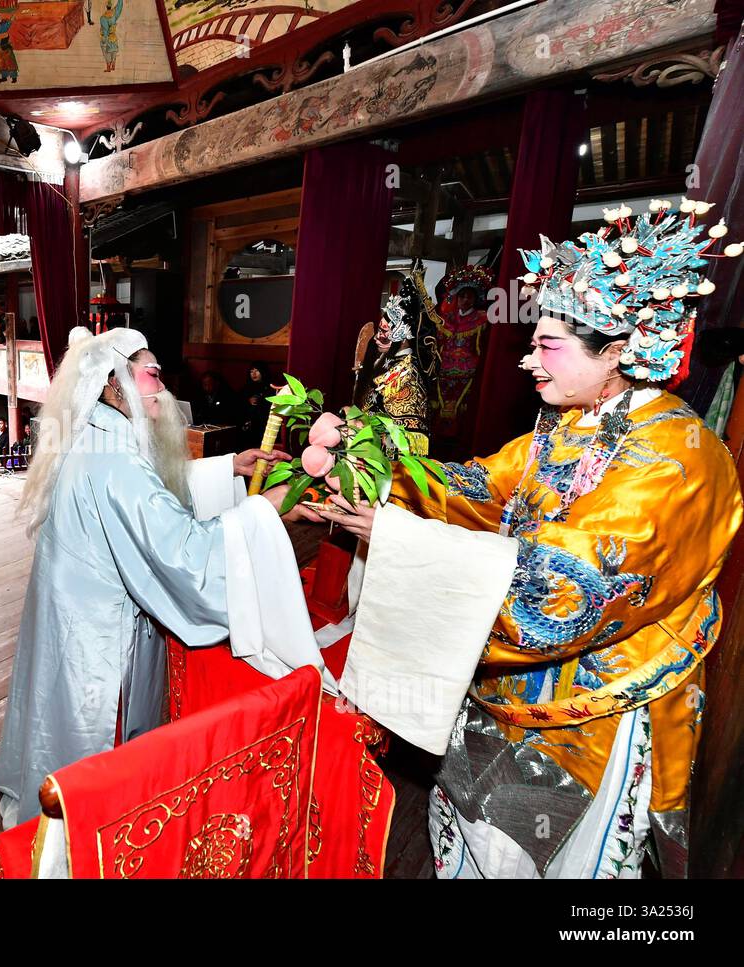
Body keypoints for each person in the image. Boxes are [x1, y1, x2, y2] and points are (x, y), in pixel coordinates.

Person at [316, 201, 743, 878]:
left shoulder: (676, 460)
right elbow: (482, 488)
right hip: (505, 692)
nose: (527, 362)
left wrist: (399, 541)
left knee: (532, 858)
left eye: (548, 347)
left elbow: (567, 589)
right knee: (469, 833)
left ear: (620, 352)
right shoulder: (570, 423)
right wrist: (379, 468)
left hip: (593, 710)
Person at [0, 325, 324, 825]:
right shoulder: (116, 458)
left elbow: (150, 500)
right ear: (111, 381)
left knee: (56, 722)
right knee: (97, 748)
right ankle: (92, 830)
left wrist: (230, 466)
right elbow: (183, 552)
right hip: (101, 638)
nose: (162, 389)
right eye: (151, 375)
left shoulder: (99, 433)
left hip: (76, 618)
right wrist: (265, 511)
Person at [358, 265, 440, 455]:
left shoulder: (409, 376)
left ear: (403, 336)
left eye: (384, 332)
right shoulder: (389, 361)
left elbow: (403, 436)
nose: (377, 337)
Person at [434, 265, 494, 437]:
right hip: (444, 369)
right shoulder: (447, 319)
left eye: (469, 296)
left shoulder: (482, 319)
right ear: (456, 297)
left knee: (462, 409)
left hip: (468, 371)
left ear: (476, 298)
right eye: (462, 296)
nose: (465, 300)